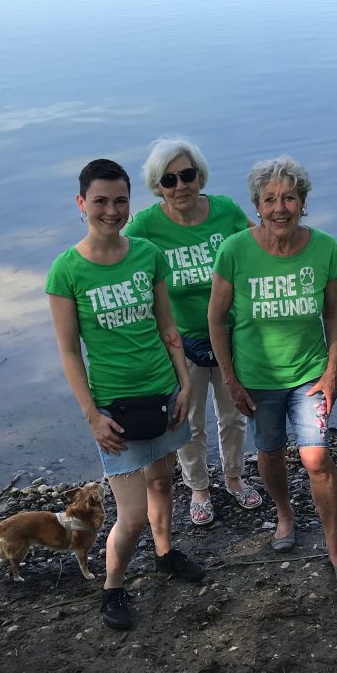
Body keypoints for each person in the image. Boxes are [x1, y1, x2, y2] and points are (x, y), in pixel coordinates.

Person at [46, 158, 206, 631]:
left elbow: (167, 325)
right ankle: (112, 586)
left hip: (163, 394)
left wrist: (184, 383)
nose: (111, 211)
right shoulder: (67, 271)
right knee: (131, 514)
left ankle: (165, 553)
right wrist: (91, 415)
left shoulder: (147, 254)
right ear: (81, 203)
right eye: (100, 201)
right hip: (115, 409)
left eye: (120, 201)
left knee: (163, 482)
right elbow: (69, 353)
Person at [208, 156, 337, 590]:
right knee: (270, 451)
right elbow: (216, 319)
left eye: (289, 198)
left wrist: (332, 372)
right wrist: (231, 379)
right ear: (256, 204)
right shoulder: (234, 250)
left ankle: (335, 545)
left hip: (309, 373)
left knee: (315, 457)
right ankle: (284, 514)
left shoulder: (324, 247)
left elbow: (335, 313)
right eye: (270, 199)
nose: (280, 208)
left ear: (303, 202)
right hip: (256, 378)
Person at [124, 138, 262, 526]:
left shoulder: (226, 211)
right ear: (157, 186)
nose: (180, 186)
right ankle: (198, 486)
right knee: (189, 421)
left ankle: (234, 477)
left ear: (200, 175)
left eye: (187, 175)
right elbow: (119, 255)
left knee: (234, 415)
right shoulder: (147, 225)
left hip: (231, 337)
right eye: (169, 180)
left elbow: (260, 245)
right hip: (181, 343)